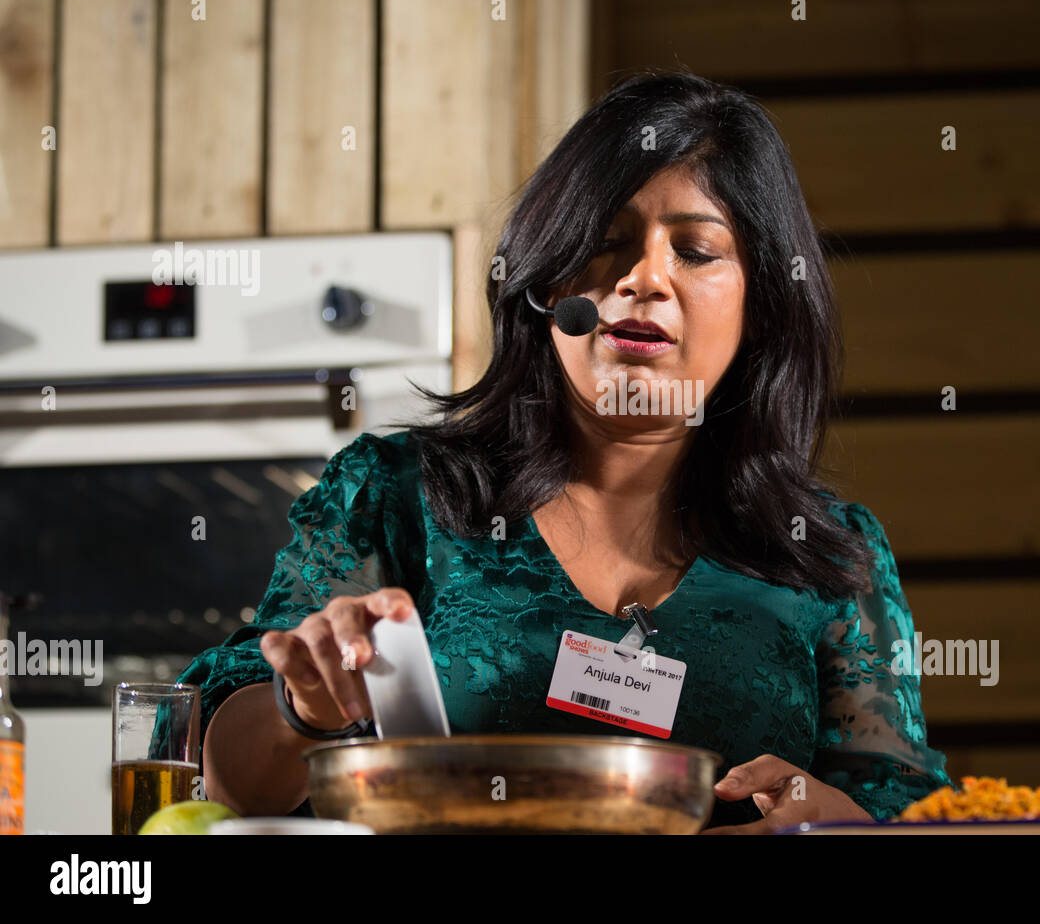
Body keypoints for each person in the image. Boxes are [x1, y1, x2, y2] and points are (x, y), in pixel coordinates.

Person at [176, 70, 955, 832]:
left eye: (696, 250)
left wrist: (830, 826)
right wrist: (298, 710)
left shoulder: (830, 558)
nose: (644, 277)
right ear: (547, 285)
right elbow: (229, 786)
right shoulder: (394, 496)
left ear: (764, 301)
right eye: (607, 242)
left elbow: (907, 812)